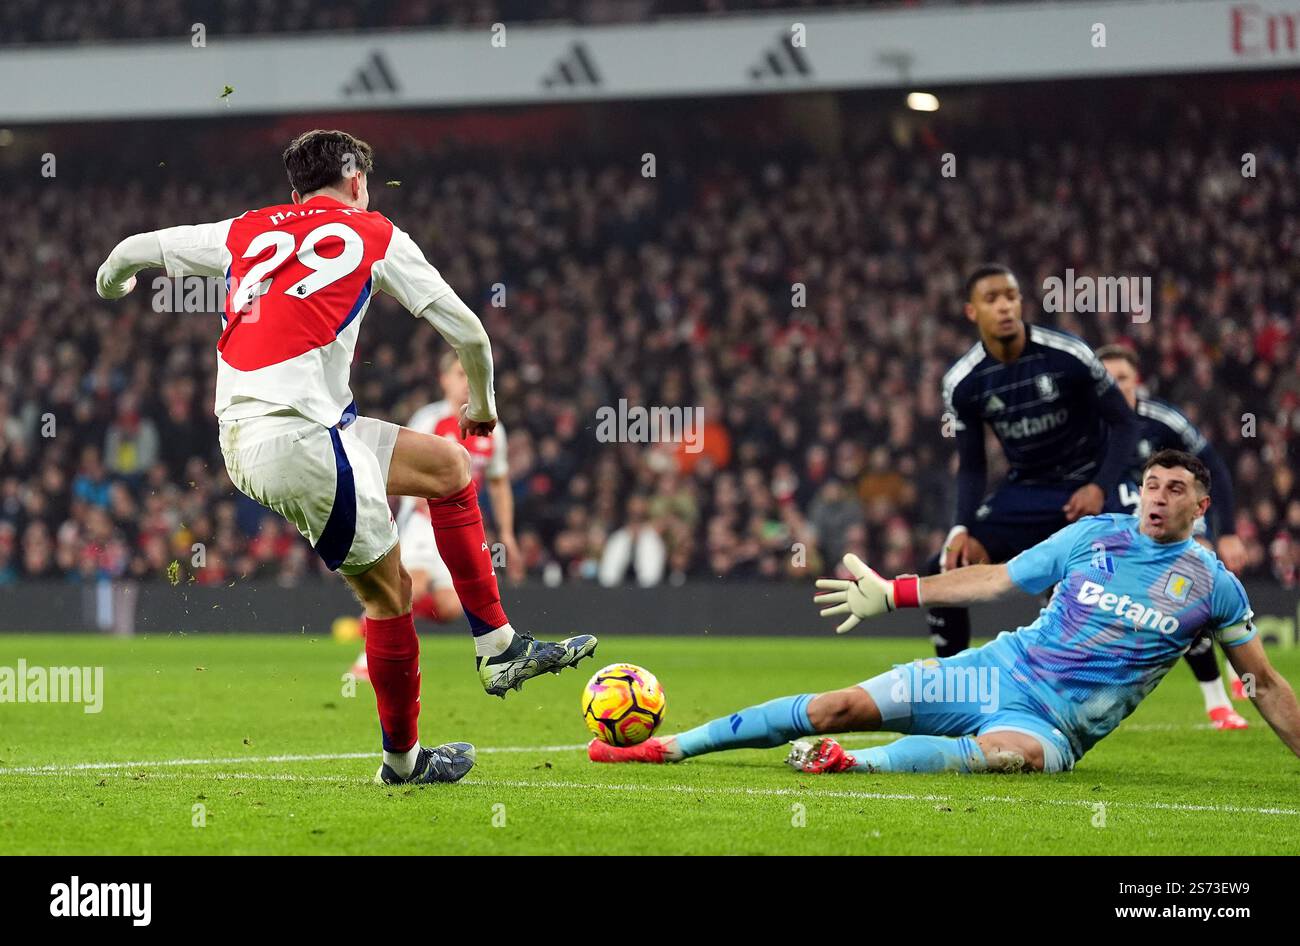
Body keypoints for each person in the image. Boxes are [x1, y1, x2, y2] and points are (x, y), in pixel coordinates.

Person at [95, 129, 595, 786]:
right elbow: (469, 332)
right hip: (300, 441)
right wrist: (482, 406)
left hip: (275, 431)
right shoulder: (376, 233)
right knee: (392, 597)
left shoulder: (248, 230)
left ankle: (499, 646)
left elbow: (134, 251)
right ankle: (404, 764)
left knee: (447, 468)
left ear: (293, 191)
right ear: (357, 181)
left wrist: (112, 286)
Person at [590, 450, 1300, 774]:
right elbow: (994, 580)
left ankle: (853, 769)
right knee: (839, 704)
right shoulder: (1095, 536)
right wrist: (896, 592)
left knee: (1011, 756)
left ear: (1200, 507)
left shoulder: (1213, 587)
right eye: (1149, 483)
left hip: (1049, 724)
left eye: (1174, 489)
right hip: (993, 671)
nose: (1156, 497)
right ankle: (666, 745)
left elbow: (1263, 683)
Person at [928, 265, 1141, 659]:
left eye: (1010, 297)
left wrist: (1099, 485)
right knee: (946, 564)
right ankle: (951, 680)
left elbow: (1125, 422)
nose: (1005, 307)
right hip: (1027, 491)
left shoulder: (1069, 355)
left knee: (1120, 580)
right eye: (992, 299)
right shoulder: (964, 382)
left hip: (1088, 488)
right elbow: (972, 465)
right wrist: (960, 526)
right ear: (972, 312)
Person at [1097, 344, 1248, 729]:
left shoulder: (1163, 421)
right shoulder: (1084, 428)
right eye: (1107, 380)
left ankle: (1221, 696)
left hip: (1173, 517)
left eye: (1123, 379)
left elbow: (1214, 468)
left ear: (1138, 382)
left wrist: (1227, 531)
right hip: (1121, 528)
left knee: (1188, 584)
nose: (1115, 388)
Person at [349, 351, 523, 681]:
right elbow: (397, 464)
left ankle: (378, 620)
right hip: (423, 523)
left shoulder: (492, 430)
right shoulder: (428, 420)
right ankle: (367, 656)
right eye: (460, 374)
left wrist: (508, 534)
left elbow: (499, 484)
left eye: (473, 375)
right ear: (443, 380)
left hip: (460, 527)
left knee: (449, 608)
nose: (468, 383)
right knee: (410, 587)